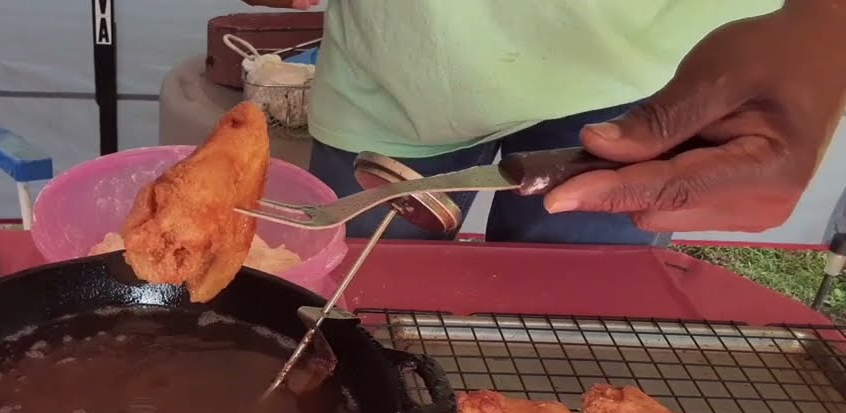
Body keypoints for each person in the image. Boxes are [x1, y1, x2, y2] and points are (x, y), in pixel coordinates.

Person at [242, 1, 846, 245]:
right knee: (349, 323)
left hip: (654, 84)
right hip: (396, 67)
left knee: (573, 346)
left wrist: (826, 29)